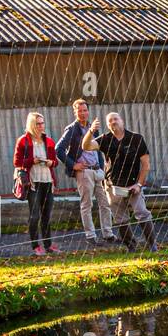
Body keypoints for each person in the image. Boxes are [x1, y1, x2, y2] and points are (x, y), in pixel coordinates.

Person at [82, 111, 157, 252]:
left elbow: (146, 164)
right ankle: (131, 246)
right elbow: (85, 146)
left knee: (142, 213)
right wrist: (91, 131)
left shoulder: (136, 138)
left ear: (122, 120)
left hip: (133, 184)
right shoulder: (105, 139)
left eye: (115, 119)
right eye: (109, 121)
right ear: (107, 124)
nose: (113, 122)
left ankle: (152, 245)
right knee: (120, 219)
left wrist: (139, 184)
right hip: (113, 186)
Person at [57, 99, 115, 245]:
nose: (83, 113)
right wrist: (73, 165)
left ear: (88, 111)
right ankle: (91, 236)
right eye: (79, 111)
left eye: (85, 110)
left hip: (97, 170)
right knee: (87, 204)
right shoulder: (72, 129)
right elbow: (58, 149)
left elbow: (99, 147)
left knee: (105, 203)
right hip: (84, 172)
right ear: (75, 112)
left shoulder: (93, 128)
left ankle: (108, 234)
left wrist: (102, 167)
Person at [13, 112, 58, 255]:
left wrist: (51, 162)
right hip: (32, 183)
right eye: (38, 123)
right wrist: (33, 161)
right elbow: (17, 162)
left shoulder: (49, 141)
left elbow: (55, 162)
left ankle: (48, 245)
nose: (41, 126)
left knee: (47, 215)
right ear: (31, 125)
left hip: (47, 182)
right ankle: (35, 246)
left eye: (42, 123)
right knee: (34, 216)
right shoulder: (23, 141)